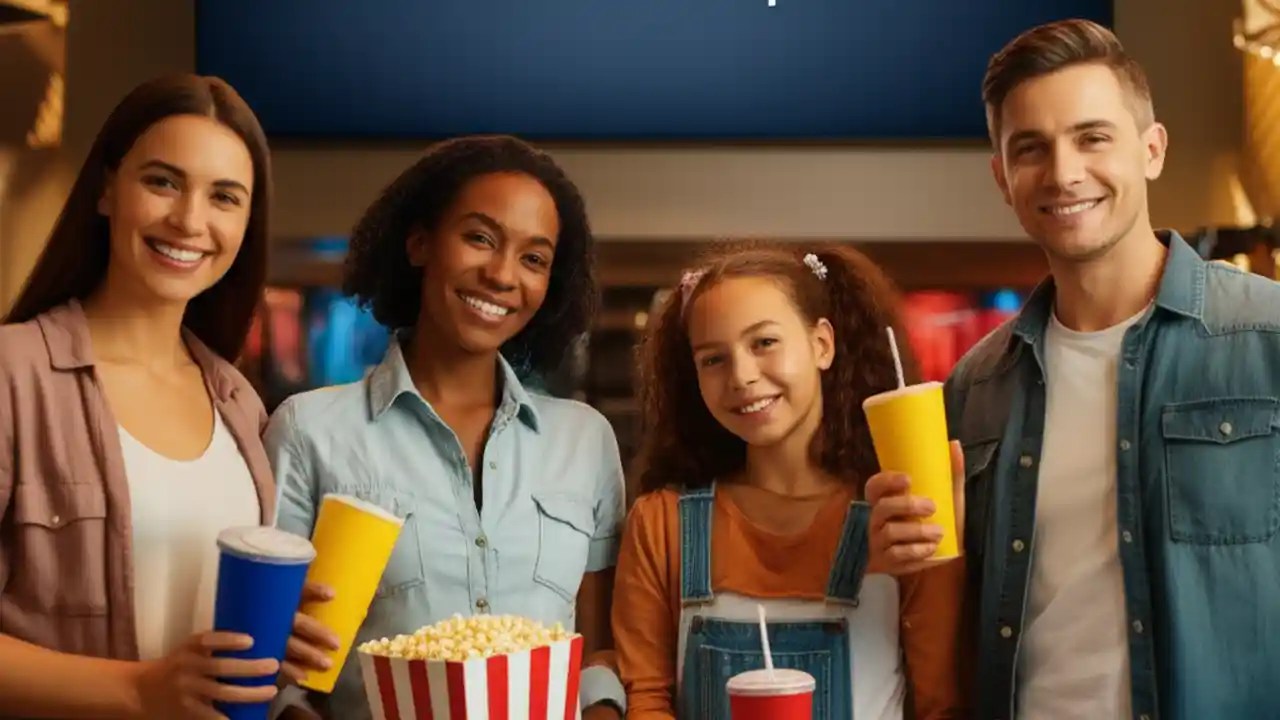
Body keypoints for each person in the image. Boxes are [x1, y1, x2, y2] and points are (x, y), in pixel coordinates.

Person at [868, 19, 1280, 720]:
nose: (1063, 173)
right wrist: (901, 561)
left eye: (1093, 137)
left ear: (1151, 150)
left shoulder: (1267, 337)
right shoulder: (976, 388)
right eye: (1031, 148)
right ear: (1002, 177)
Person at [0, 74, 333, 718]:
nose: (190, 220)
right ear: (106, 189)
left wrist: (269, 645)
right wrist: (138, 689)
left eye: (225, 197)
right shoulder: (13, 374)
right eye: (162, 181)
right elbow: (155, 684)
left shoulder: (238, 401)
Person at [267, 135, 628, 719]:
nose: (503, 275)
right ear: (419, 243)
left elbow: (600, 648)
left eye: (533, 258)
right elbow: (281, 669)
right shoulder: (310, 431)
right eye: (480, 238)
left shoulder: (585, 441)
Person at [612, 241, 967, 719]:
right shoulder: (662, 524)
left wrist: (946, 552)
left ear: (822, 344)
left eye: (764, 343)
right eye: (713, 359)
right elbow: (647, 700)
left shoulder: (896, 517)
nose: (741, 376)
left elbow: (938, 705)